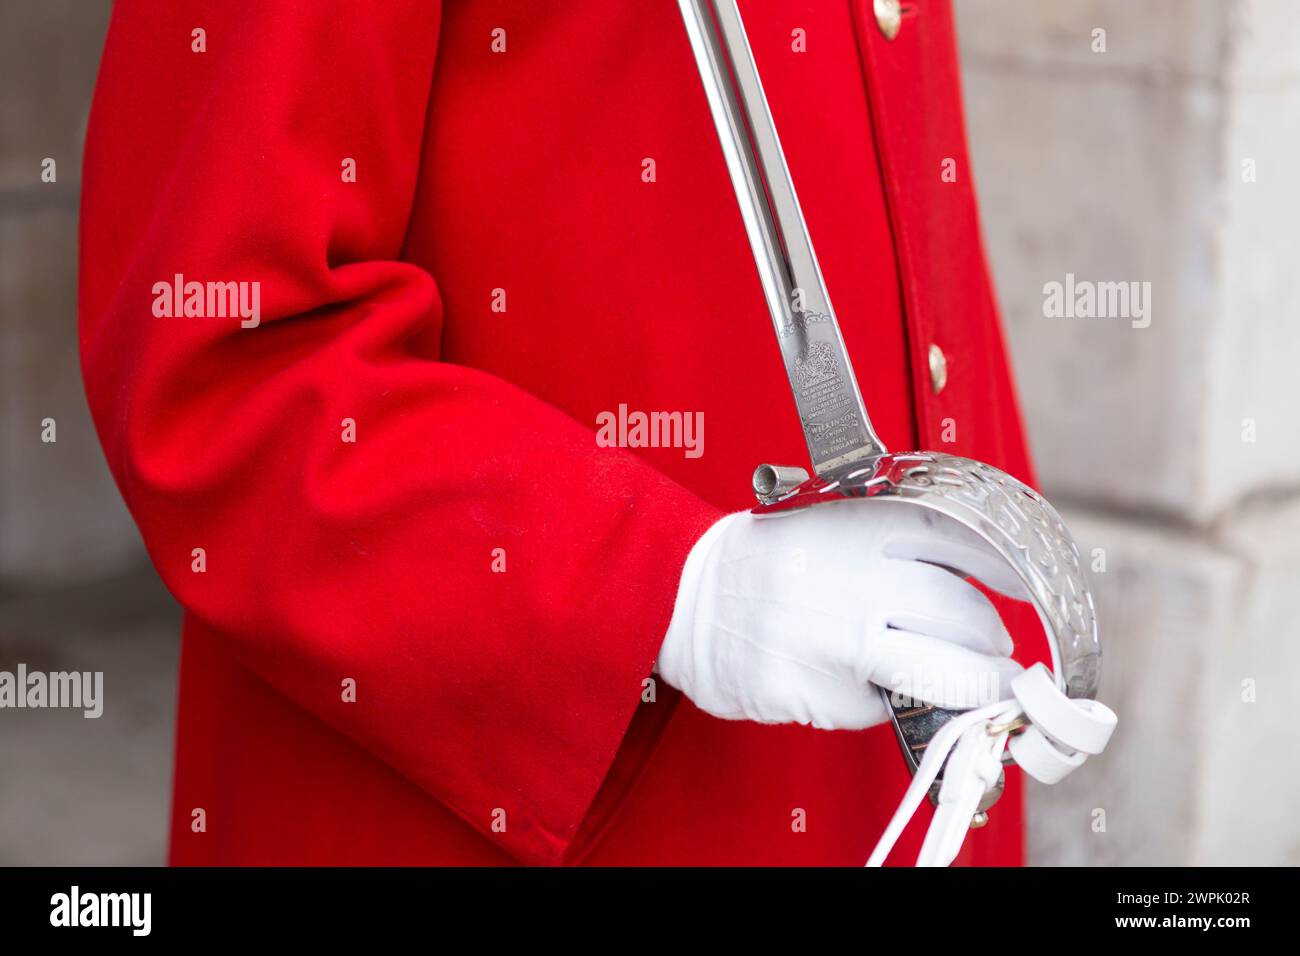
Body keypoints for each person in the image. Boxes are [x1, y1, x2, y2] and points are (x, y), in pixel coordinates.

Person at [79, 0, 1045, 865]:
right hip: (528, 787)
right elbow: (220, 363)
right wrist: (668, 592)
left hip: (879, 756)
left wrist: (1017, 631)